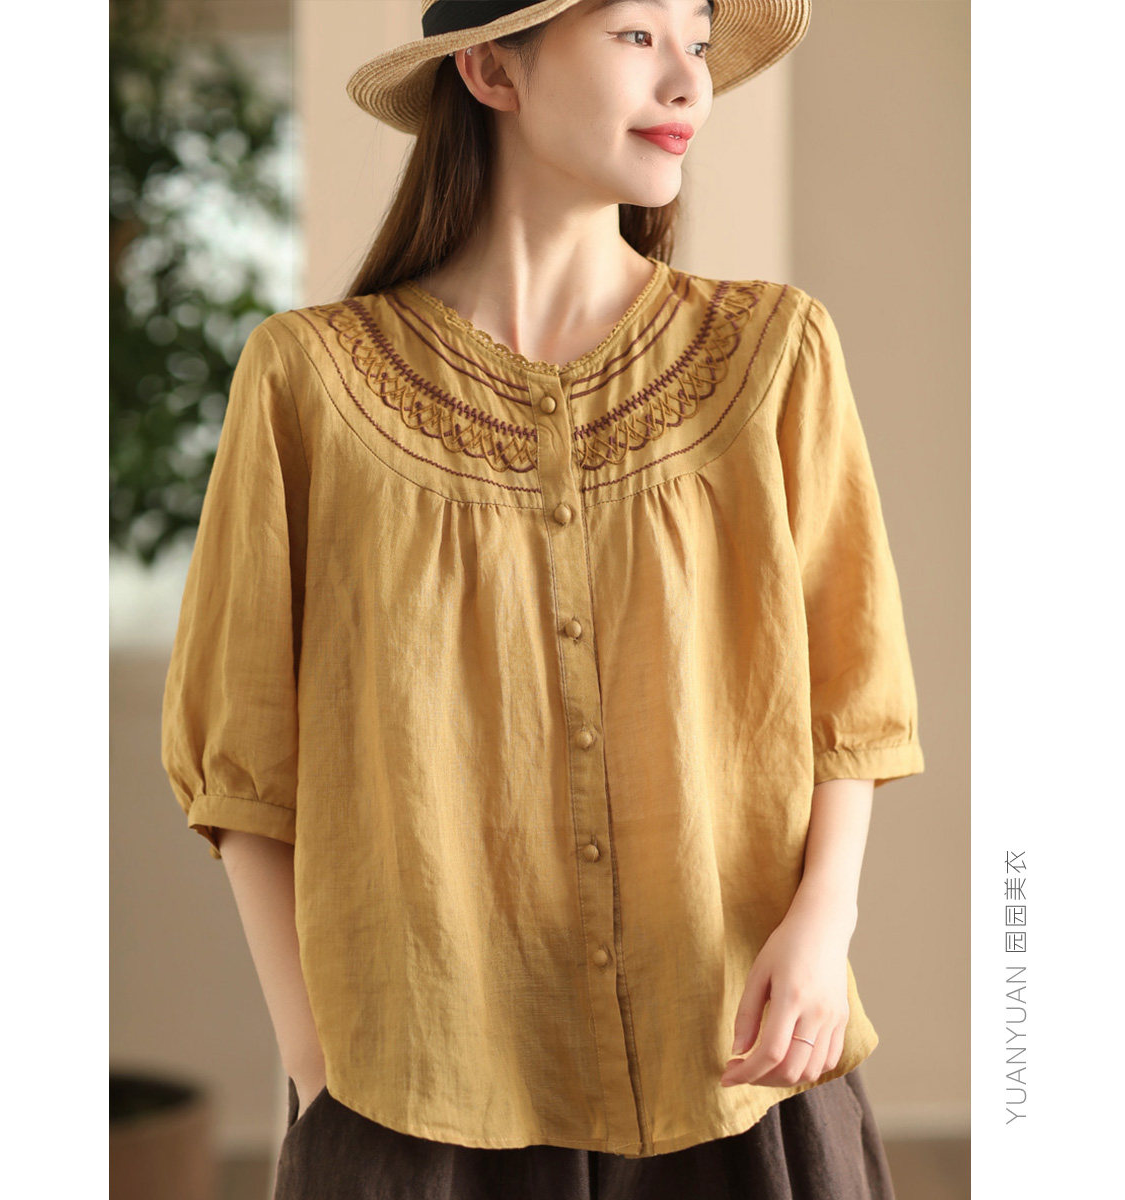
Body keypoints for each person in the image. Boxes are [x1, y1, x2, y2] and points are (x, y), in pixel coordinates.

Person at [159, 1, 926, 1196]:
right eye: (636, 37)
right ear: (489, 71)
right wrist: (319, 1065)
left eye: (697, 42)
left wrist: (823, 931)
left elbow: (852, 697)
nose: (689, 82)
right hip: (416, 1088)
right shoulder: (305, 380)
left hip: (733, 1065)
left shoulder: (777, 351)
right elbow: (242, 762)